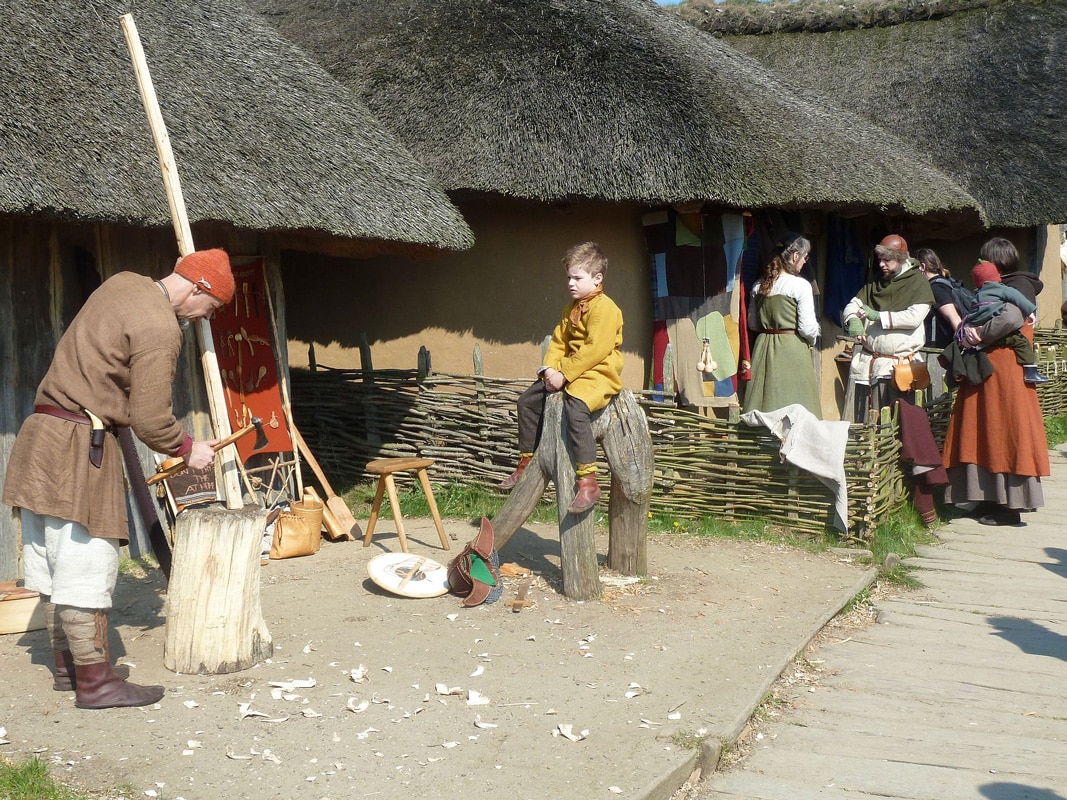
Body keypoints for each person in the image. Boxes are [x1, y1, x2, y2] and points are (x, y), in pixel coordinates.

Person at [2, 249, 235, 709]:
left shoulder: (123, 283)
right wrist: (189, 449)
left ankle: (70, 669)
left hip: (41, 436)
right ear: (198, 288)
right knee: (84, 562)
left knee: (54, 561)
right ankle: (96, 683)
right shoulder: (160, 328)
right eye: (210, 308)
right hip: (76, 447)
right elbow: (150, 419)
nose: (203, 319)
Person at [499, 242, 623, 514]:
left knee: (576, 407)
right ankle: (526, 462)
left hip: (598, 370)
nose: (571, 282)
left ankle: (588, 482)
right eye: (569, 277)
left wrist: (564, 374)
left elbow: (596, 349)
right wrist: (549, 369)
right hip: (572, 368)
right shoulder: (571, 309)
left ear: (597, 278)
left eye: (577, 277)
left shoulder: (606, 308)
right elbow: (558, 341)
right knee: (527, 402)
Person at [942, 238, 1049, 526]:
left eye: (984, 260)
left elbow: (1013, 316)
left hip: (1006, 374)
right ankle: (987, 499)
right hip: (991, 371)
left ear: (995, 262)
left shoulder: (1017, 286)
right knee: (983, 432)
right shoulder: (996, 287)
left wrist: (978, 333)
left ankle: (1009, 507)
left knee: (1005, 433)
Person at [842, 234, 934, 422]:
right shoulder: (876, 282)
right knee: (868, 423)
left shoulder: (918, 283)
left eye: (887, 260)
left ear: (900, 259)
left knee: (898, 423)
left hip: (899, 368)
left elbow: (914, 318)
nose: (882, 264)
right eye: (880, 260)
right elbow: (852, 305)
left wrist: (879, 316)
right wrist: (853, 320)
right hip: (871, 366)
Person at [742, 233, 821, 417]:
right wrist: (811, 338)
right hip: (791, 349)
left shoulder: (758, 286)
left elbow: (753, 324)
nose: (804, 262)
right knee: (795, 403)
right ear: (795, 256)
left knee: (764, 401)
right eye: (805, 257)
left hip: (762, 348)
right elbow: (807, 329)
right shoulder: (800, 286)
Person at [965, 260, 1047, 384]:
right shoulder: (1002, 289)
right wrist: (1030, 312)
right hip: (1001, 336)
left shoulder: (977, 297)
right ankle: (1031, 371)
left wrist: (968, 328)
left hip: (982, 338)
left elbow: (971, 315)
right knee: (1022, 343)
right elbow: (1018, 298)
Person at [915, 248, 970, 348]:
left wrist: (965, 343)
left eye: (913, 269)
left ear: (922, 266)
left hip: (941, 348)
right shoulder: (945, 281)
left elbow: (953, 316)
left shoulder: (936, 288)